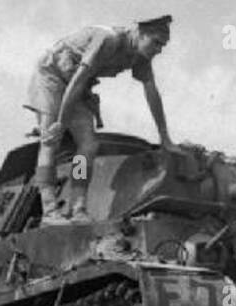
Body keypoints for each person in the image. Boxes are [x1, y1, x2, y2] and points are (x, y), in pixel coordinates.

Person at [24, 15, 177, 223]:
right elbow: (78, 79)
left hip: (77, 86)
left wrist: (164, 136)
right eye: (156, 42)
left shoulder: (140, 57)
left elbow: (152, 93)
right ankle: (50, 210)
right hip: (52, 75)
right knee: (51, 139)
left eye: (163, 45)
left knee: (88, 145)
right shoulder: (109, 39)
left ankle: (78, 206)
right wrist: (61, 121)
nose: (159, 49)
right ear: (140, 34)